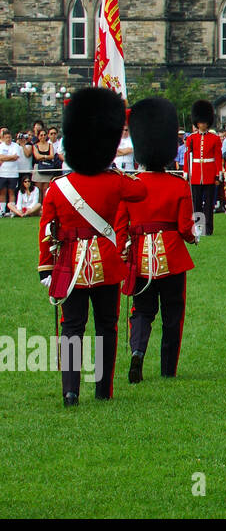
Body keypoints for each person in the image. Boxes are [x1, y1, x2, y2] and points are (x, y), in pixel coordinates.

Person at [36, 88, 147, 405]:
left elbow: (46, 230)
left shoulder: (59, 188)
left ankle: (70, 391)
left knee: (71, 328)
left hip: (69, 266)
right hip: (107, 265)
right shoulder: (115, 181)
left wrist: (46, 268)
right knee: (106, 328)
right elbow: (140, 192)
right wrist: (111, 166)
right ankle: (103, 389)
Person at [121, 98, 198, 384]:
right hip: (173, 255)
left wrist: (124, 252)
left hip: (140, 255)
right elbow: (185, 227)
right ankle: (168, 369)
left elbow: (121, 226)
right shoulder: (178, 185)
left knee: (141, 311)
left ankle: (138, 352)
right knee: (172, 314)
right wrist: (192, 238)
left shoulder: (130, 185)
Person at [183, 100, 222, 236]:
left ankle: (208, 229)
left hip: (209, 174)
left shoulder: (215, 138)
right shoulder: (191, 138)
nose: (202, 125)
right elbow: (187, 157)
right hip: (195, 174)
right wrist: (187, 173)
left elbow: (217, 158)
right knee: (197, 203)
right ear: (196, 123)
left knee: (209, 204)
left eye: (204, 122)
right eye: (200, 122)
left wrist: (218, 175)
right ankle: (199, 228)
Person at [0, 127, 21, 216]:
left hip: (13, 174)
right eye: (6, 137)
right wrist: (10, 157)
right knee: (2, 192)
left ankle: (12, 211)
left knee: (11, 192)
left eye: (9, 137)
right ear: (3, 138)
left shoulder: (15, 146)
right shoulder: (1, 146)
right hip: (2, 173)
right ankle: (2, 211)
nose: (8, 139)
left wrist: (4, 158)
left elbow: (15, 157)